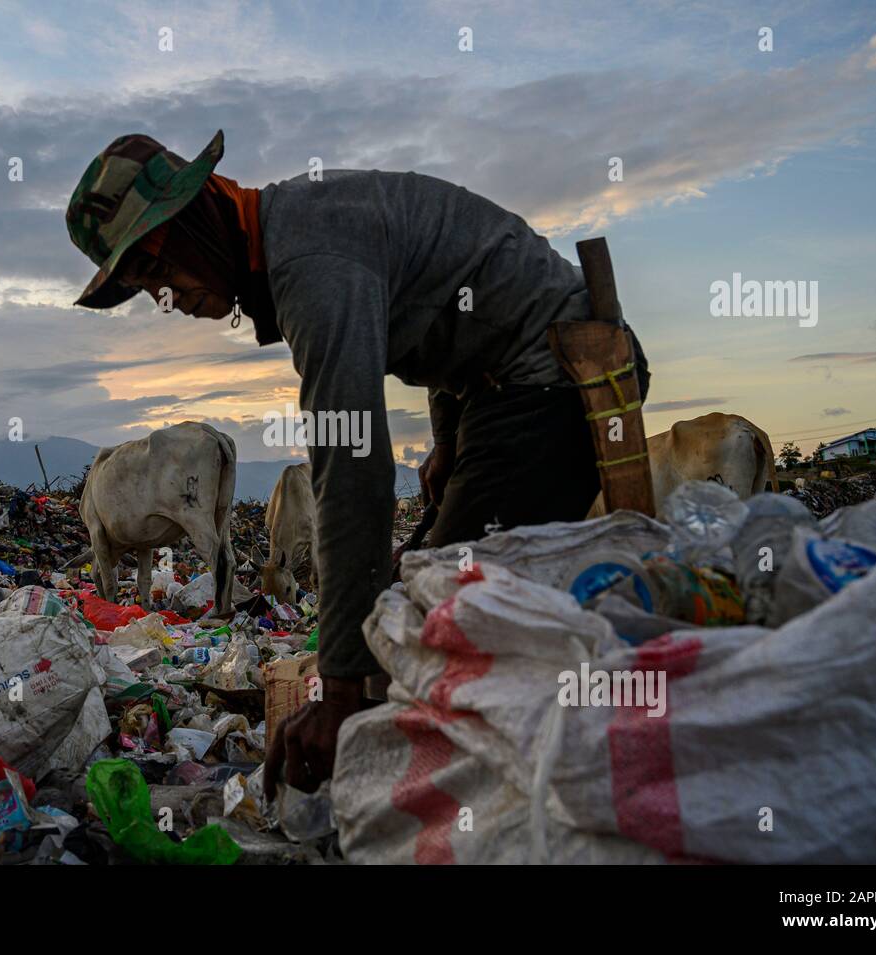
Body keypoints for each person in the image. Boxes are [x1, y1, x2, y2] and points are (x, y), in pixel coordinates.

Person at [65, 129, 650, 799]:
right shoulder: (302, 238)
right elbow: (448, 303)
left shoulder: (309, 262)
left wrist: (339, 688)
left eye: (158, 268)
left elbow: (353, 469)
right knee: (409, 597)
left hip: (559, 373)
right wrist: (449, 438)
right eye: (143, 288)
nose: (166, 297)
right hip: (498, 384)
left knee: (438, 616)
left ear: (204, 214)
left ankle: (536, 785)